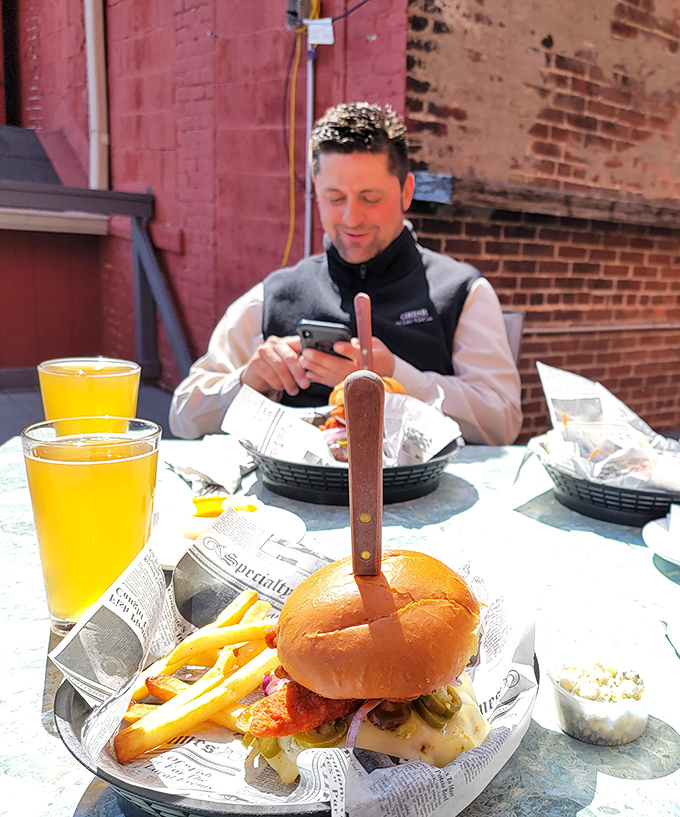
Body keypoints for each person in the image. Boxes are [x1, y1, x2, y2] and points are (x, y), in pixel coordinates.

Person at [169, 102, 522, 445]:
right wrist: (250, 381)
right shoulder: (273, 296)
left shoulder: (462, 292)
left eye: (370, 198)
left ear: (406, 192)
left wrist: (395, 379)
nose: (352, 219)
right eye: (335, 198)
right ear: (316, 192)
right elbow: (183, 416)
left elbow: (502, 422)